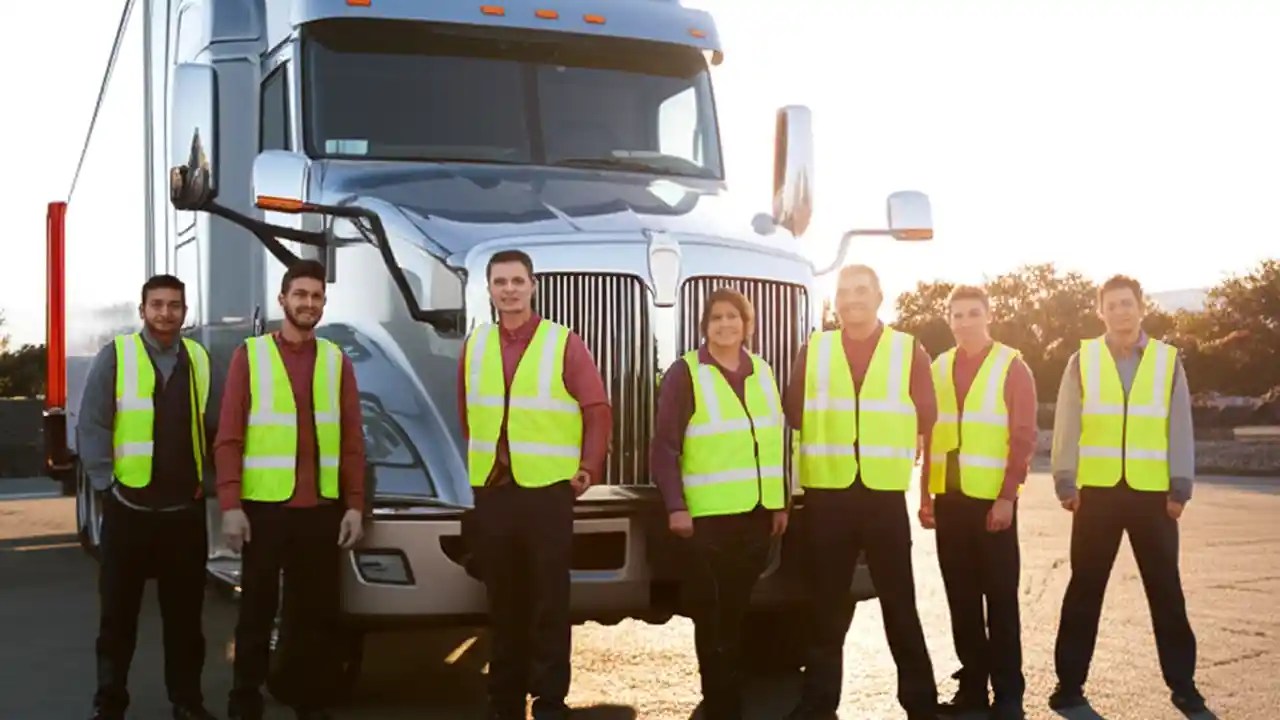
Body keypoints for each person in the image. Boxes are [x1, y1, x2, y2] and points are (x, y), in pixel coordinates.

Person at [457, 249, 612, 720]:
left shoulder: (562, 342)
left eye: (517, 281)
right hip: (494, 491)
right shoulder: (476, 344)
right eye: (500, 281)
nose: (509, 289)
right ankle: (502, 699)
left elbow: (597, 408)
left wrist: (588, 465)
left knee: (548, 600)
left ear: (532, 286)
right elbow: (466, 411)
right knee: (502, 600)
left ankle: (549, 700)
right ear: (489, 289)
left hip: (548, 491)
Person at [783, 264, 940, 720]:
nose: (852, 298)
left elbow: (926, 416)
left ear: (878, 296)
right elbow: (795, 412)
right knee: (825, 608)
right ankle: (817, 704)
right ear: (836, 300)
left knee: (900, 605)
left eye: (861, 290)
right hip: (829, 494)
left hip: (883, 496)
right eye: (844, 291)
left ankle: (921, 705)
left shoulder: (909, 351)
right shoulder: (814, 349)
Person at [1048, 274, 1207, 714]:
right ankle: (1069, 684)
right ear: (1100, 311)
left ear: (1142, 307)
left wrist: (1181, 486)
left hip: (1153, 497)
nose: (1120, 311)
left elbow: (1179, 427)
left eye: (1127, 303)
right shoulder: (1082, 360)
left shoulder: (1166, 360)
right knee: (1084, 589)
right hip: (1095, 495)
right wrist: (1065, 478)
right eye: (1112, 304)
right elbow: (1067, 422)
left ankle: (1184, 684)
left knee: (1166, 591)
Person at [216, 259, 367, 720]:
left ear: (323, 303)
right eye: (299, 294)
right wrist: (231, 505)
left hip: (321, 510)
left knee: (314, 615)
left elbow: (352, 441)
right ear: (283, 299)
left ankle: (308, 700)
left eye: (316, 296)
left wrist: (355, 506)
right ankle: (245, 699)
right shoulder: (251, 355)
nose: (307, 303)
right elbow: (229, 434)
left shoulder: (336, 361)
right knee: (257, 608)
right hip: (265, 508)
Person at [79, 274, 221, 720]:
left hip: (184, 513)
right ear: (142, 311)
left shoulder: (199, 359)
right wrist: (108, 487)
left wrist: (210, 482)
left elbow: (216, 427)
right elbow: (92, 426)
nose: (166, 313)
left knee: (185, 623)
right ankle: (110, 704)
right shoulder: (116, 356)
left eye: (174, 305)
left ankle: (187, 701)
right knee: (118, 620)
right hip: (130, 513)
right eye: (157, 304)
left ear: (184, 311)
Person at [651, 287, 790, 720]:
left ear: (747, 324)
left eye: (733, 317)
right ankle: (723, 706)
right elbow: (664, 446)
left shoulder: (763, 371)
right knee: (712, 618)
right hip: (706, 521)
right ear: (704, 326)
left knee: (735, 614)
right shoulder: (685, 373)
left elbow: (774, 442)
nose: (725, 325)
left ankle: (727, 700)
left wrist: (780, 502)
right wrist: (675, 506)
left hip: (756, 516)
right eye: (716, 318)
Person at [918, 285, 1037, 720]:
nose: (964, 321)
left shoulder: (1012, 366)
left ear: (988, 316)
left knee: (1000, 601)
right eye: (957, 314)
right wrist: (926, 493)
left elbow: (1023, 437)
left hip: (993, 503)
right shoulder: (939, 366)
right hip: (950, 502)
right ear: (948, 319)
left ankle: (1008, 694)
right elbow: (930, 434)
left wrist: (1008, 497)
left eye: (973, 313)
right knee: (962, 601)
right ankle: (973, 689)